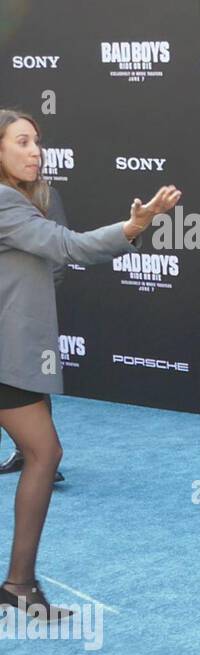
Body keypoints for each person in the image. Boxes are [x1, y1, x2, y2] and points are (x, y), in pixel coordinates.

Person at [0, 109, 179, 620]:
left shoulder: (18, 201)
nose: (35, 151)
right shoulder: (6, 202)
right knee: (44, 453)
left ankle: (20, 584)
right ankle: (19, 585)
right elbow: (69, 247)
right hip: (5, 358)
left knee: (43, 452)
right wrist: (135, 224)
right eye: (22, 142)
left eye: (37, 141)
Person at [0, 185, 70, 483]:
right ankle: (22, 449)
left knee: (36, 379)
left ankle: (42, 458)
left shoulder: (45, 194)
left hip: (31, 309)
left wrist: (39, 295)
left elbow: (60, 250)